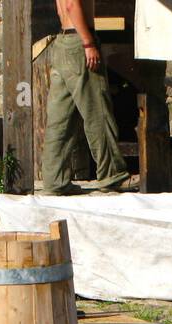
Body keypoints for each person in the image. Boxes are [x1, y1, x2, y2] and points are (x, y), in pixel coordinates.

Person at [41, 0, 130, 195]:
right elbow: (73, 4)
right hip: (78, 43)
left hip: (62, 41)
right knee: (98, 112)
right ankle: (111, 175)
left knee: (60, 119)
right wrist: (88, 43)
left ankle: (54, 181)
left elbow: (61, 8)